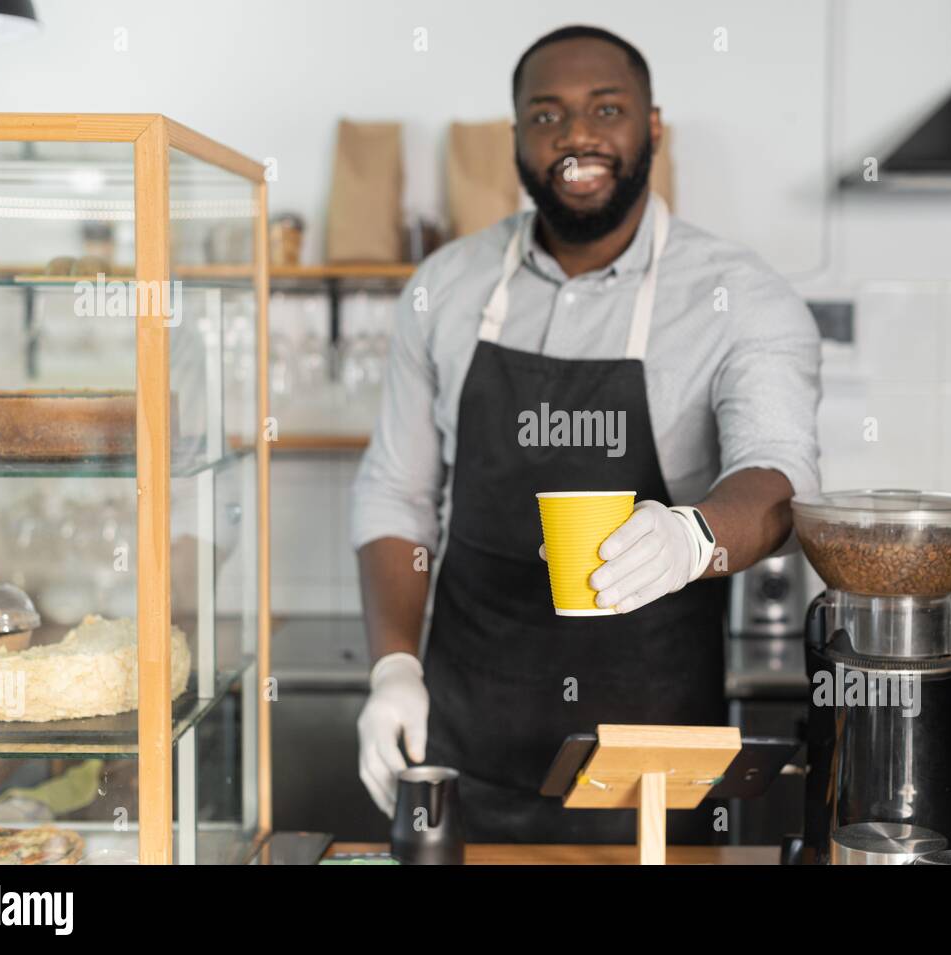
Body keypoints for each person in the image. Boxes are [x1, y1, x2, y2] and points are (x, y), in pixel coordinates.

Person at [352, 24, 820, 843]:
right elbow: (397, 493)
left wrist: (691, 535)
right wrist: (394, 665)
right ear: (515, 140)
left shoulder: (739, 296)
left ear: (653, 126)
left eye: (607, 108)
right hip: (464, 746)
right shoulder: (446, 288)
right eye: (547, 115)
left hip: (654, 762)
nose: (576, 135)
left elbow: (780, 479)